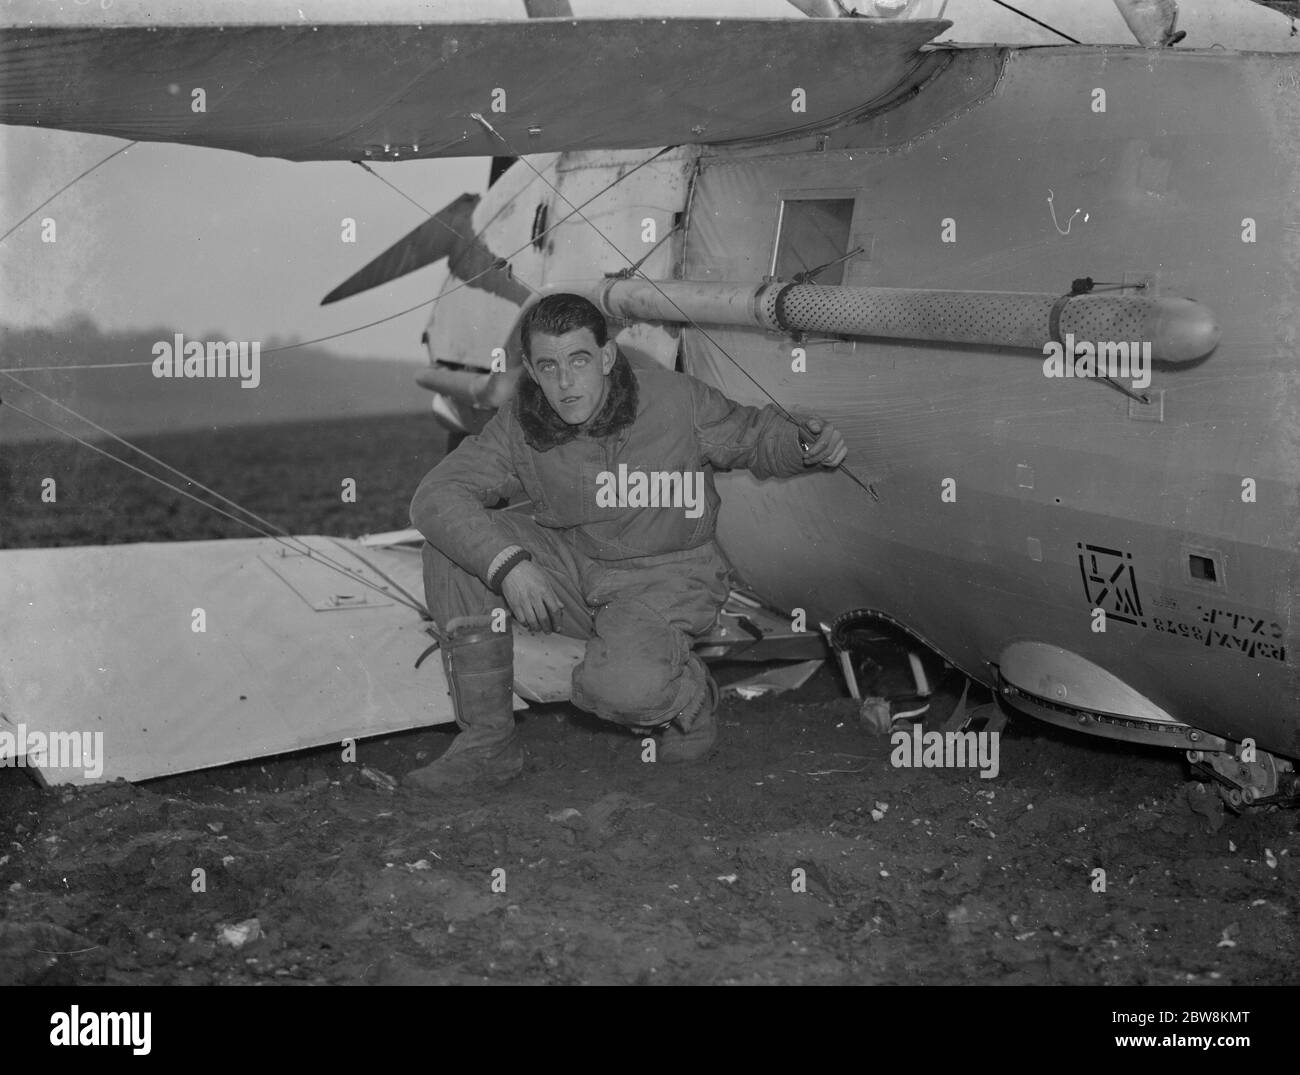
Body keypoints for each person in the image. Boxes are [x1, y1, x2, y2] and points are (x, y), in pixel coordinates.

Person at [407, 292, 847, 792]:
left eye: (579, 360)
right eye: (548, 367)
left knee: (619, 692)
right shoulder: (521, 423)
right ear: (529, 368)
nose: (566, 382)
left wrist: (803, 444)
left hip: (666, 576)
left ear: (607, 356)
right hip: (574, 569)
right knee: (451, 549)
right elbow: (437, 494)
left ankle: (690, 692)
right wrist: (508, 565)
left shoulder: (675, 401)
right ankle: (488, 746)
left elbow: (754, 435)